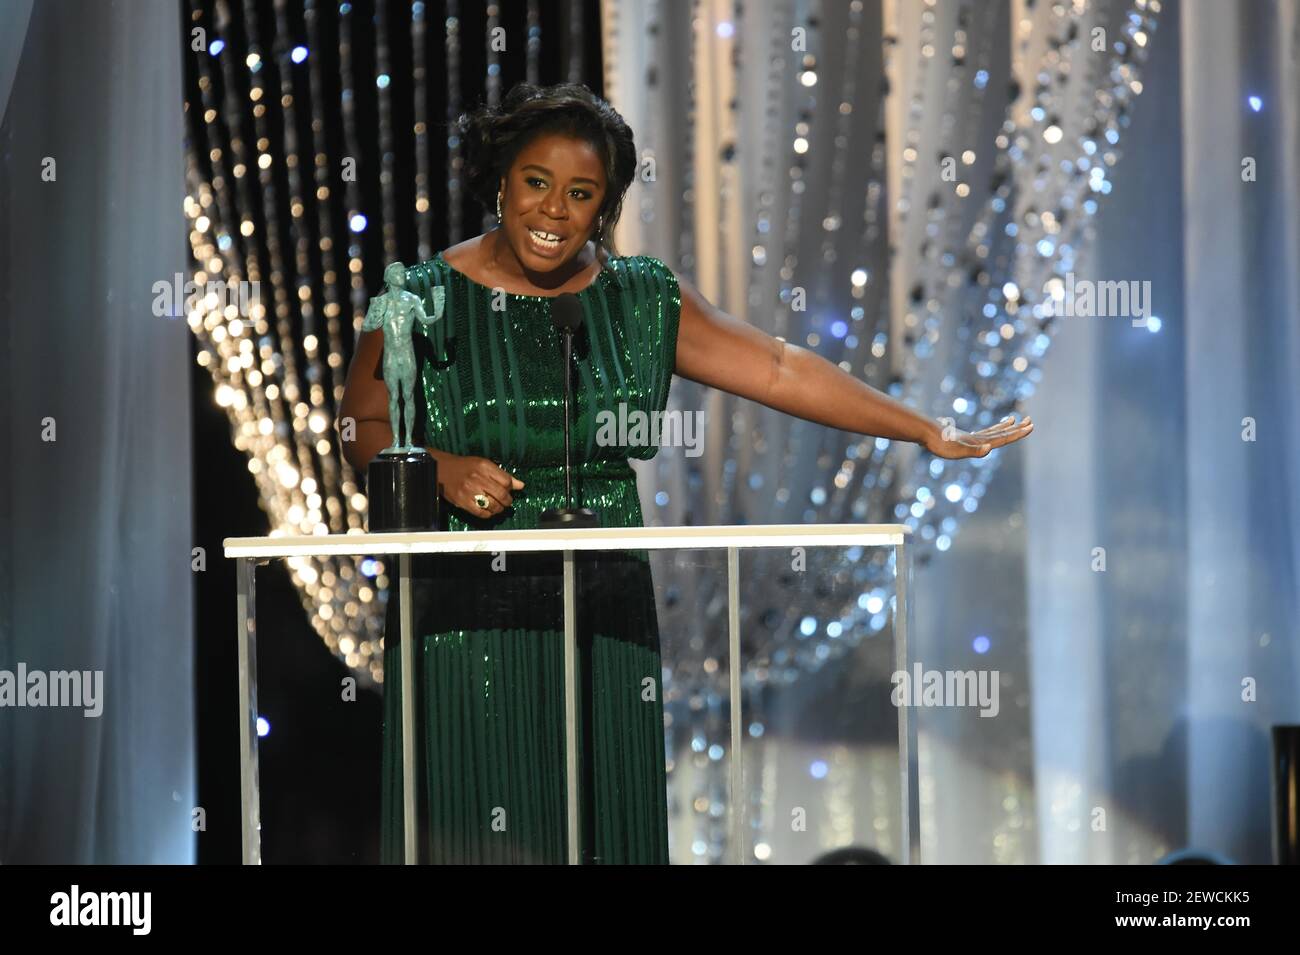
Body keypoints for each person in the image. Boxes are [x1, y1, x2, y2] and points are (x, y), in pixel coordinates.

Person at [339, 81, 1033, 865]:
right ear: (502, 182)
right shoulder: (423, 297)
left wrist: (923, 428)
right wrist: (437, 467)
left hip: (599, 594)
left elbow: (776, 366)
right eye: (536, 184)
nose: (553, 212)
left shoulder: (638, 300)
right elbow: (360, 426)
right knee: (482, 824)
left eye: (580, 194)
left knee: (600, 816)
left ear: (603, 209)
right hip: (468, 604)